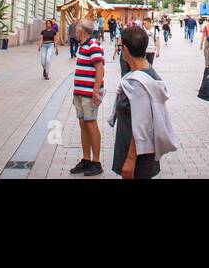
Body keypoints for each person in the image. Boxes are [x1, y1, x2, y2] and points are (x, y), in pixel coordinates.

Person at [109, 25, 179, 179]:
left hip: (138, 156)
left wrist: (130, 159)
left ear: (126, 51)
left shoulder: (139, 83)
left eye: (121, 47)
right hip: (143, 151)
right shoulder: (146, 73)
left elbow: (142, 124)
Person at [70, 20, 106, 176]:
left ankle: (96, 162)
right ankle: (86, 159)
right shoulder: (83, 45)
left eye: (77, 27)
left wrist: (96, 91)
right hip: (80, 92)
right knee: (83, 123)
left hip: (89, 93)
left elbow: (100, 69)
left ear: (82, 31)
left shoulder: (93, 45)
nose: (75, 29)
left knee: (91, 124)